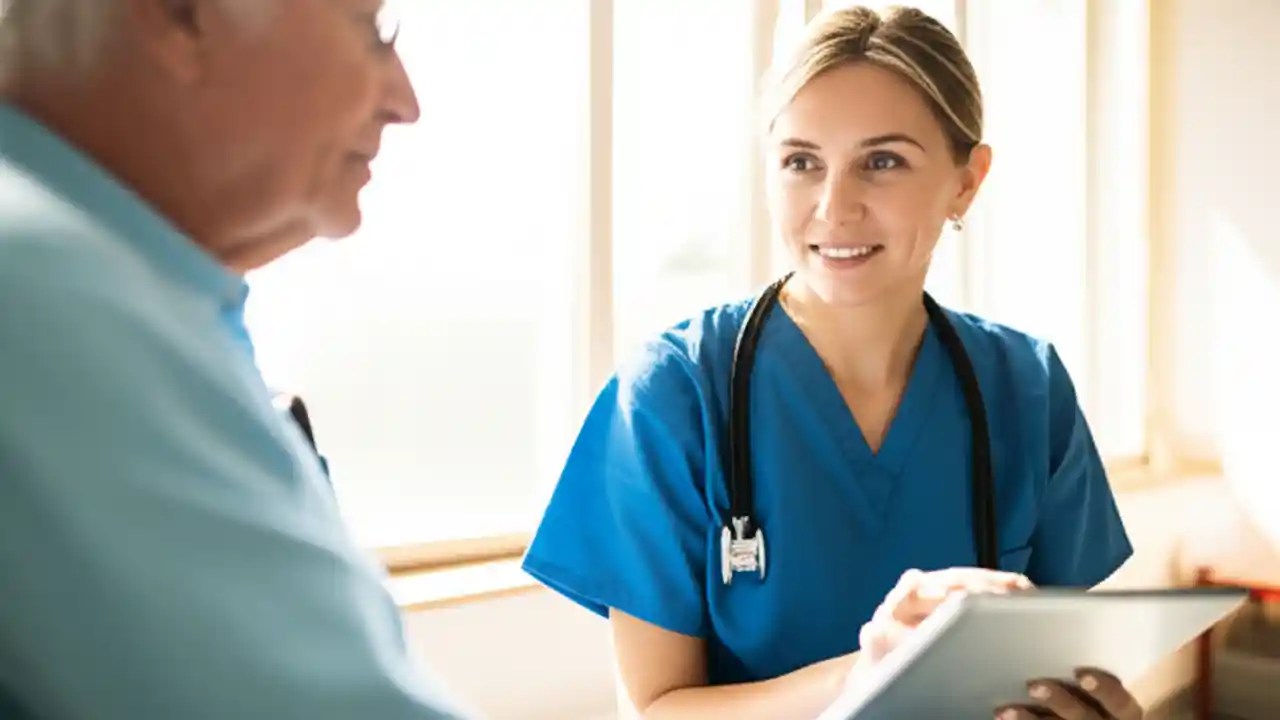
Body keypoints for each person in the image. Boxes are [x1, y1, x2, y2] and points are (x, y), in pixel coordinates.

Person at [521, 6, 1143, 719]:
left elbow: (1051, 676)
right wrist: (871, 672)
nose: (833, 206)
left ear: (967, 181)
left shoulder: (1027, 389)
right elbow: (656, 709)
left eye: (883, 161)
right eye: (801, 162)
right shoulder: (675, 392)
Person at [0, 1, 466, 717]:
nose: (406, 102)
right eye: (372, 31)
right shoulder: (40, 295)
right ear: (176, 15)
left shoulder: (151, 302)